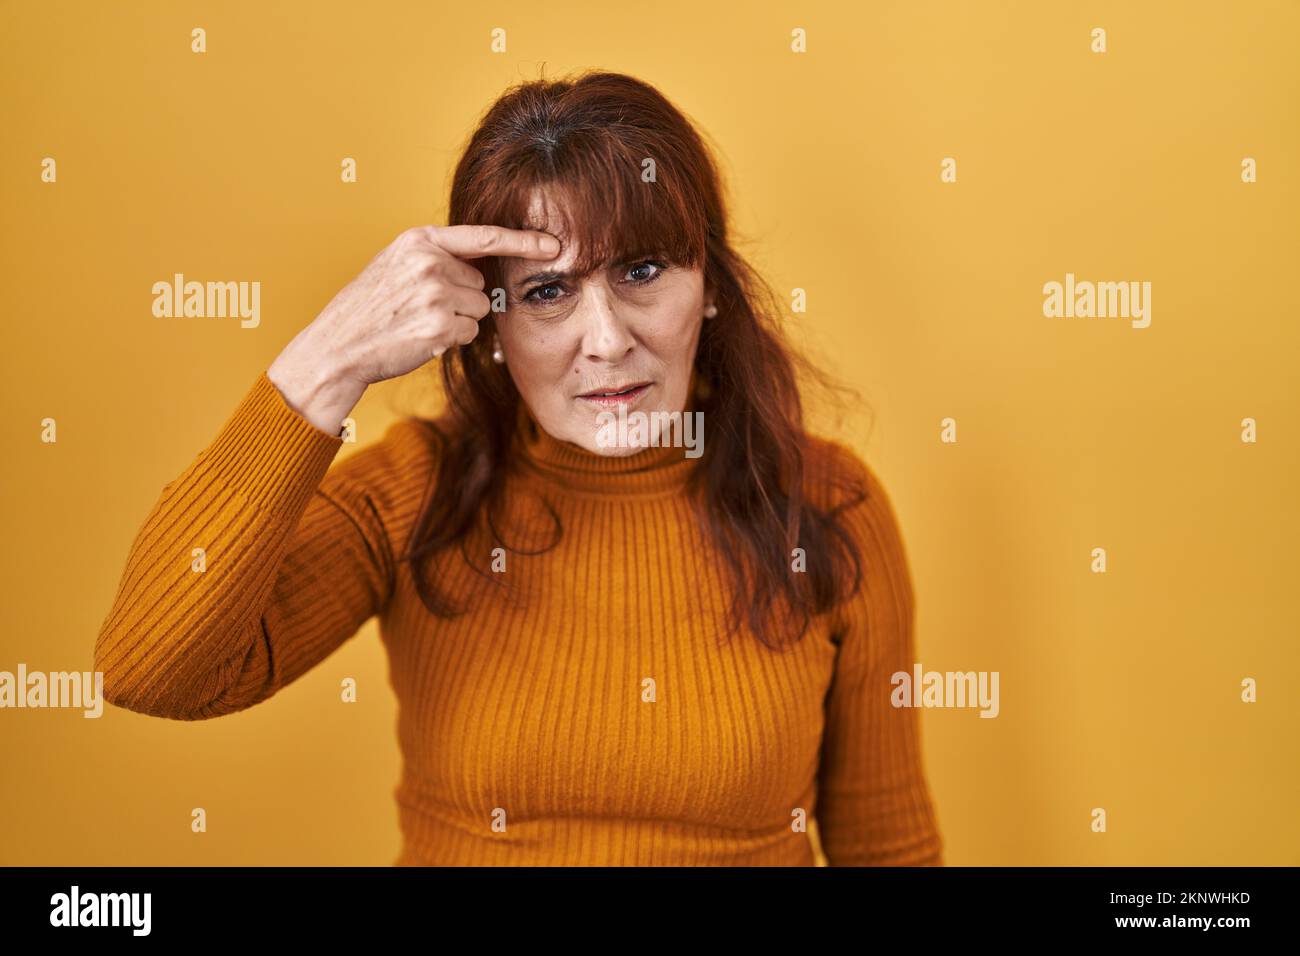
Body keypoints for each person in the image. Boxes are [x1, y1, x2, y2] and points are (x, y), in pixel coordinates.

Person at [94, 69, 945, 867]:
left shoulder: (828, 507)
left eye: (642, 271)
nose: (607, 341)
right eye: (547, 293)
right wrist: (326, 364)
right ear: (488, 324)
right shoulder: (417, 493)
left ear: (712, 288)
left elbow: (889, 850)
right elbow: (150, 670)